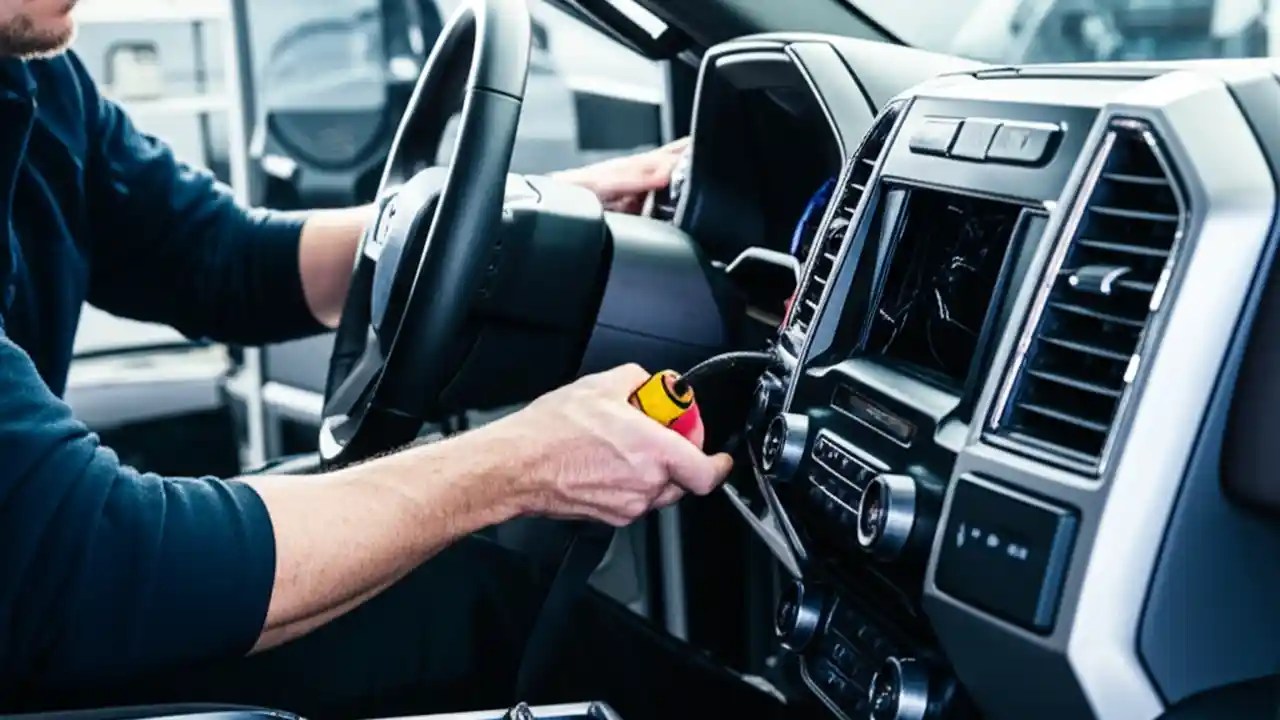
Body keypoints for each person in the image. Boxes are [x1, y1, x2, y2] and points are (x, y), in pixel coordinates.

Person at [0, 2, 781, 718]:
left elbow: (220, 259)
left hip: (57, 586)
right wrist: (518, 465)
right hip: (49, 631)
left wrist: (522, 212)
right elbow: (92, 556)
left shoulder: (34, 77)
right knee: (481, 611)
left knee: (456, 563)